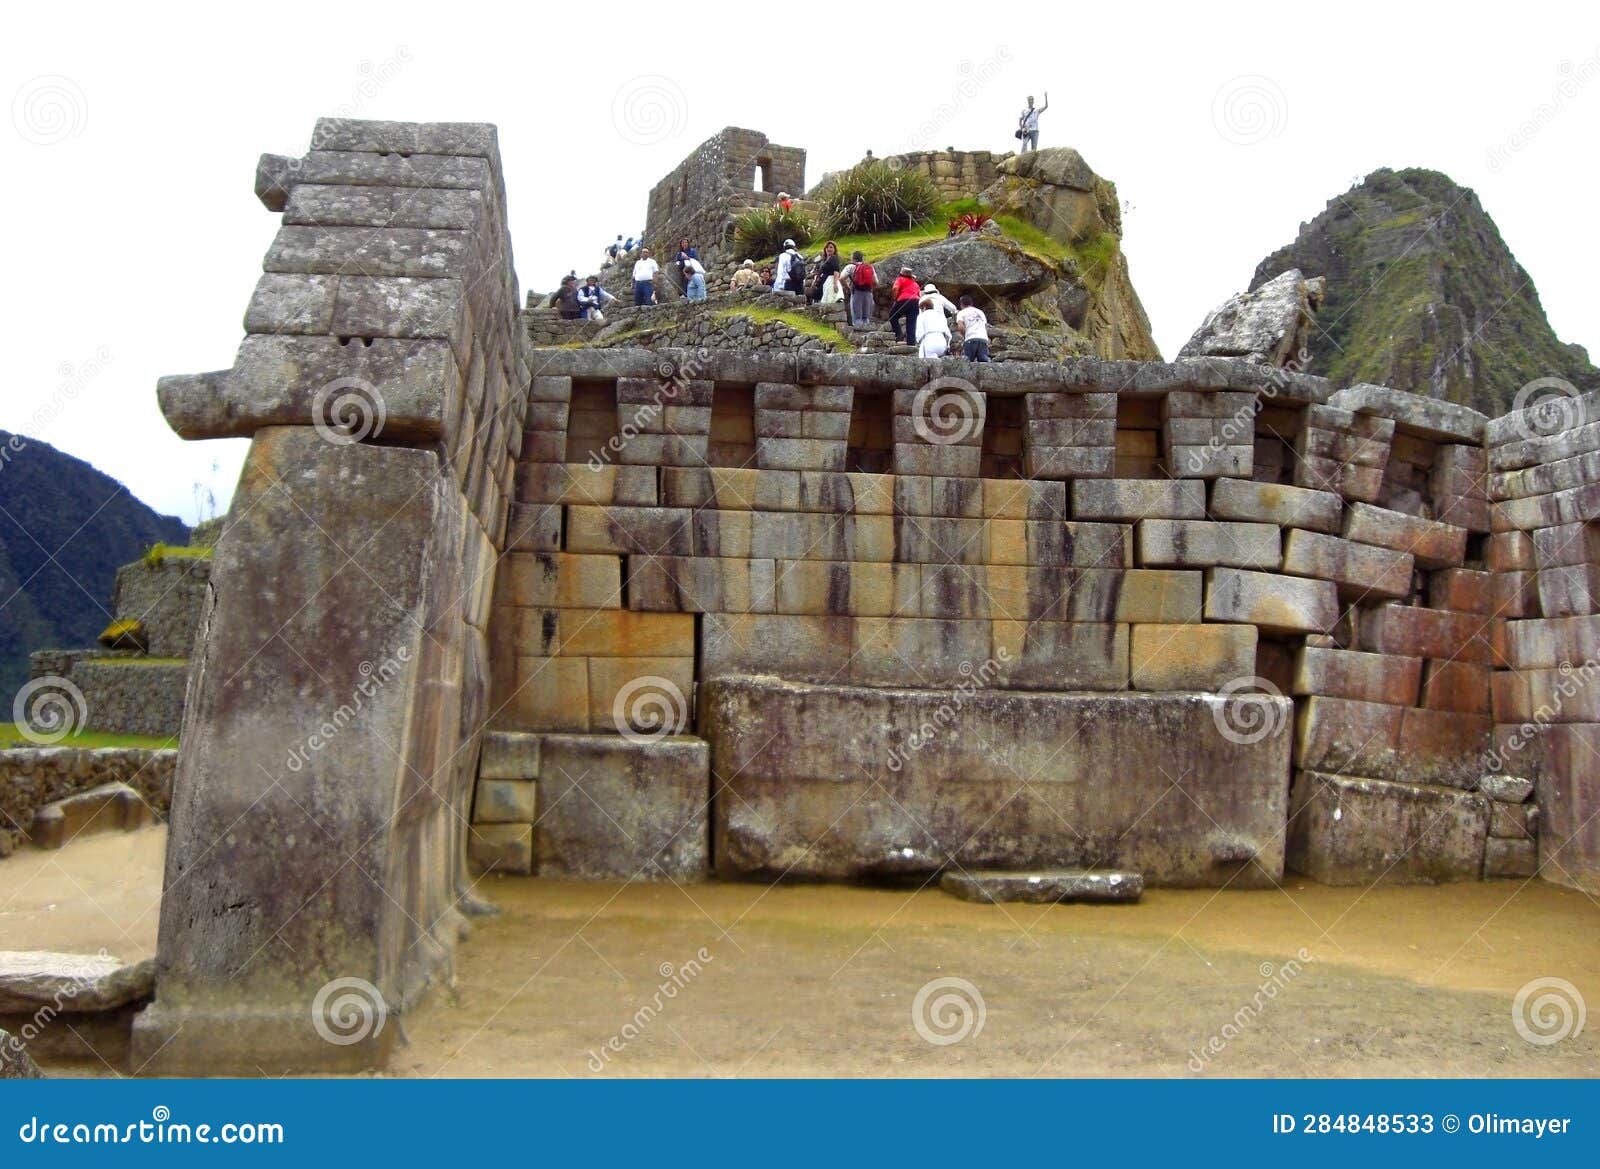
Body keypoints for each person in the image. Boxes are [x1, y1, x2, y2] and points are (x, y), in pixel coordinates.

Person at [888, 266, 921, 344]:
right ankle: (911, 343)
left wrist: (895, 299)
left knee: (893, 316)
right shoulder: (915, 283)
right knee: (911, 323)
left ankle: (898, 334)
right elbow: (919, 294)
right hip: (916, 301)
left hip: (904, 300)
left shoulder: (900, 279)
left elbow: (895, 288)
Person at [955, 294, 992, 362]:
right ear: (972, 303)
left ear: (961, 304)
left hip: (970, 338)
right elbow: (985, 326)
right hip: (983, 339)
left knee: (968, 361)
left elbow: (960, 327)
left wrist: (964, 335)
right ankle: (990, 363)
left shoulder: (961, 313)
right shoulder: (980, 312)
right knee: (983, 359)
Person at [844, 250, 875, 327]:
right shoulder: (870, 267)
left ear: (854, 259)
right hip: (868, 293)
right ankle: (867, 337)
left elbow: (841, 278)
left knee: (857, 317)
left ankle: (858, 336)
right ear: (862, 258)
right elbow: (876, 282)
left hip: (856, 292)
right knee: (866, 317)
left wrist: (847, 288)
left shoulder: (850, 267)